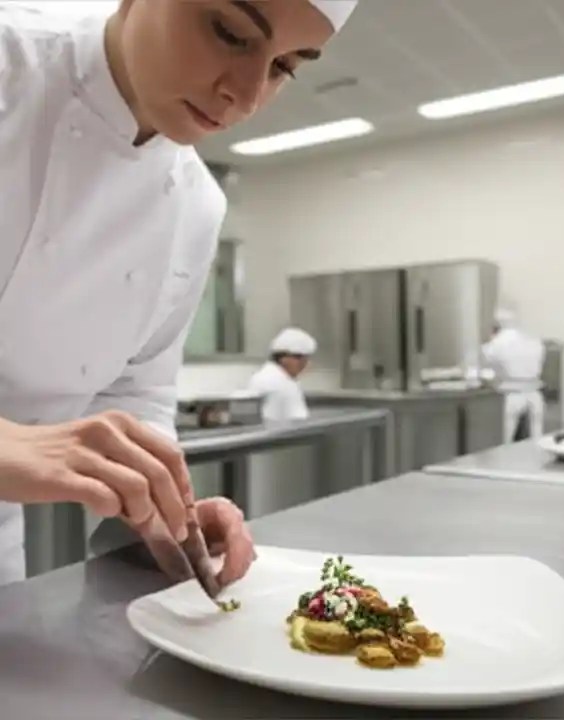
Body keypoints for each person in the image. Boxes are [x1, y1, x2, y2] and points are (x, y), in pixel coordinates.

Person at [0, 0, 358, 587]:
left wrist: (160, 515)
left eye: (285, 66)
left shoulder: (196, 205)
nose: (245, 96)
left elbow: (134, 396)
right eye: (229, 32)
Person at [481, 308, 547, 442]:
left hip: (511, 395)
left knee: (506, 441)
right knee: (537, 439)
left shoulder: (498, 342)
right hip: (534, 394)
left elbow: (485, 364)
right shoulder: (534, 339)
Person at [249, 327, 317, 422]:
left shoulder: (263, 375)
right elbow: (298, 422)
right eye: (299, 359)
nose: (304, 365)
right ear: (283, 358)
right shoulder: (281, 383)